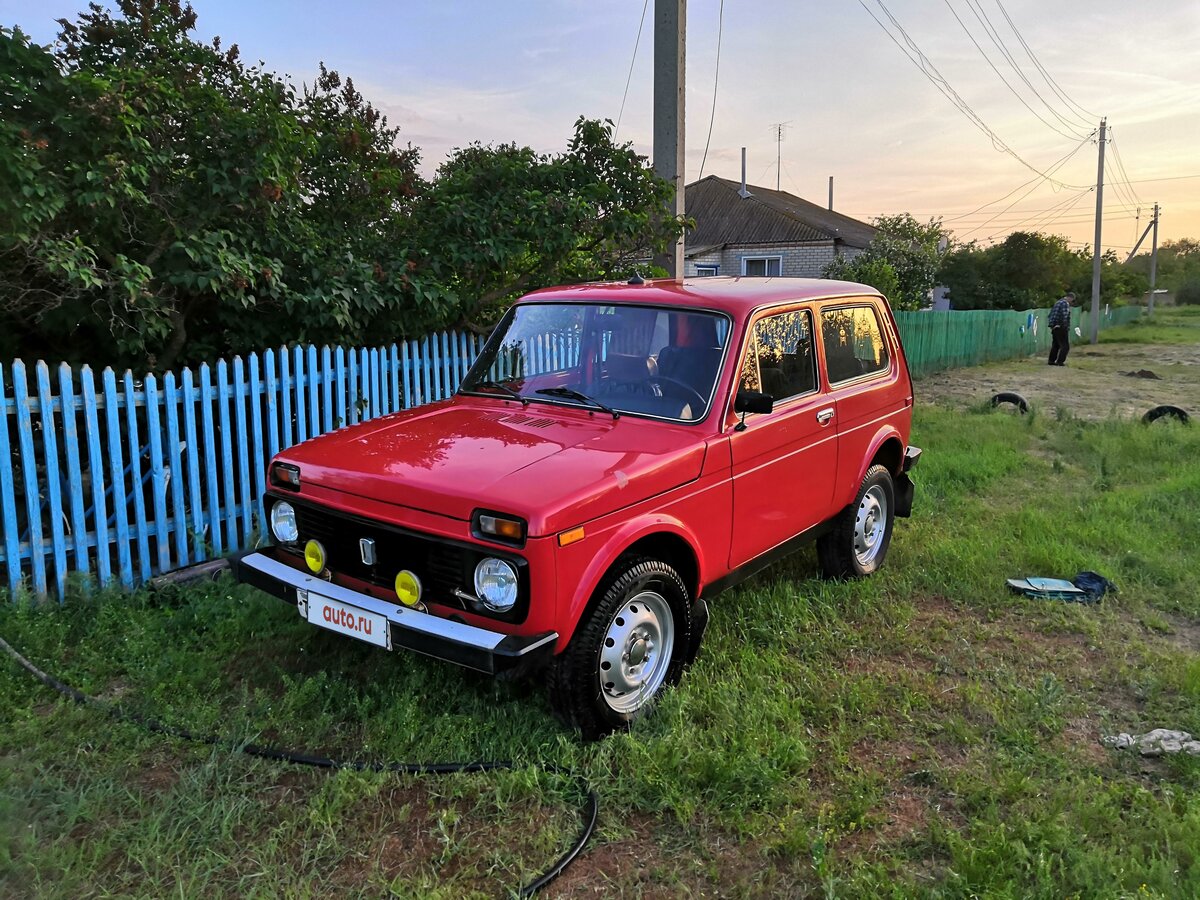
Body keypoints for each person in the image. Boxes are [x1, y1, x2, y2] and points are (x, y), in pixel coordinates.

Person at [1048, 292, 1075, 366]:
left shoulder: (1057, 302)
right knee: (1065, 346)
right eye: (1072, 300)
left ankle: (1051, 360)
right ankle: (1060, 361)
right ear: (1070, 298)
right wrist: (1062, 325)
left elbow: (1050, 315)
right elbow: (1064, 315)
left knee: (1056, 345)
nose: (1071, 302)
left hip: (1054, 326)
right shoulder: (1064, 303)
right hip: (1061, 327)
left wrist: (1052, 325)